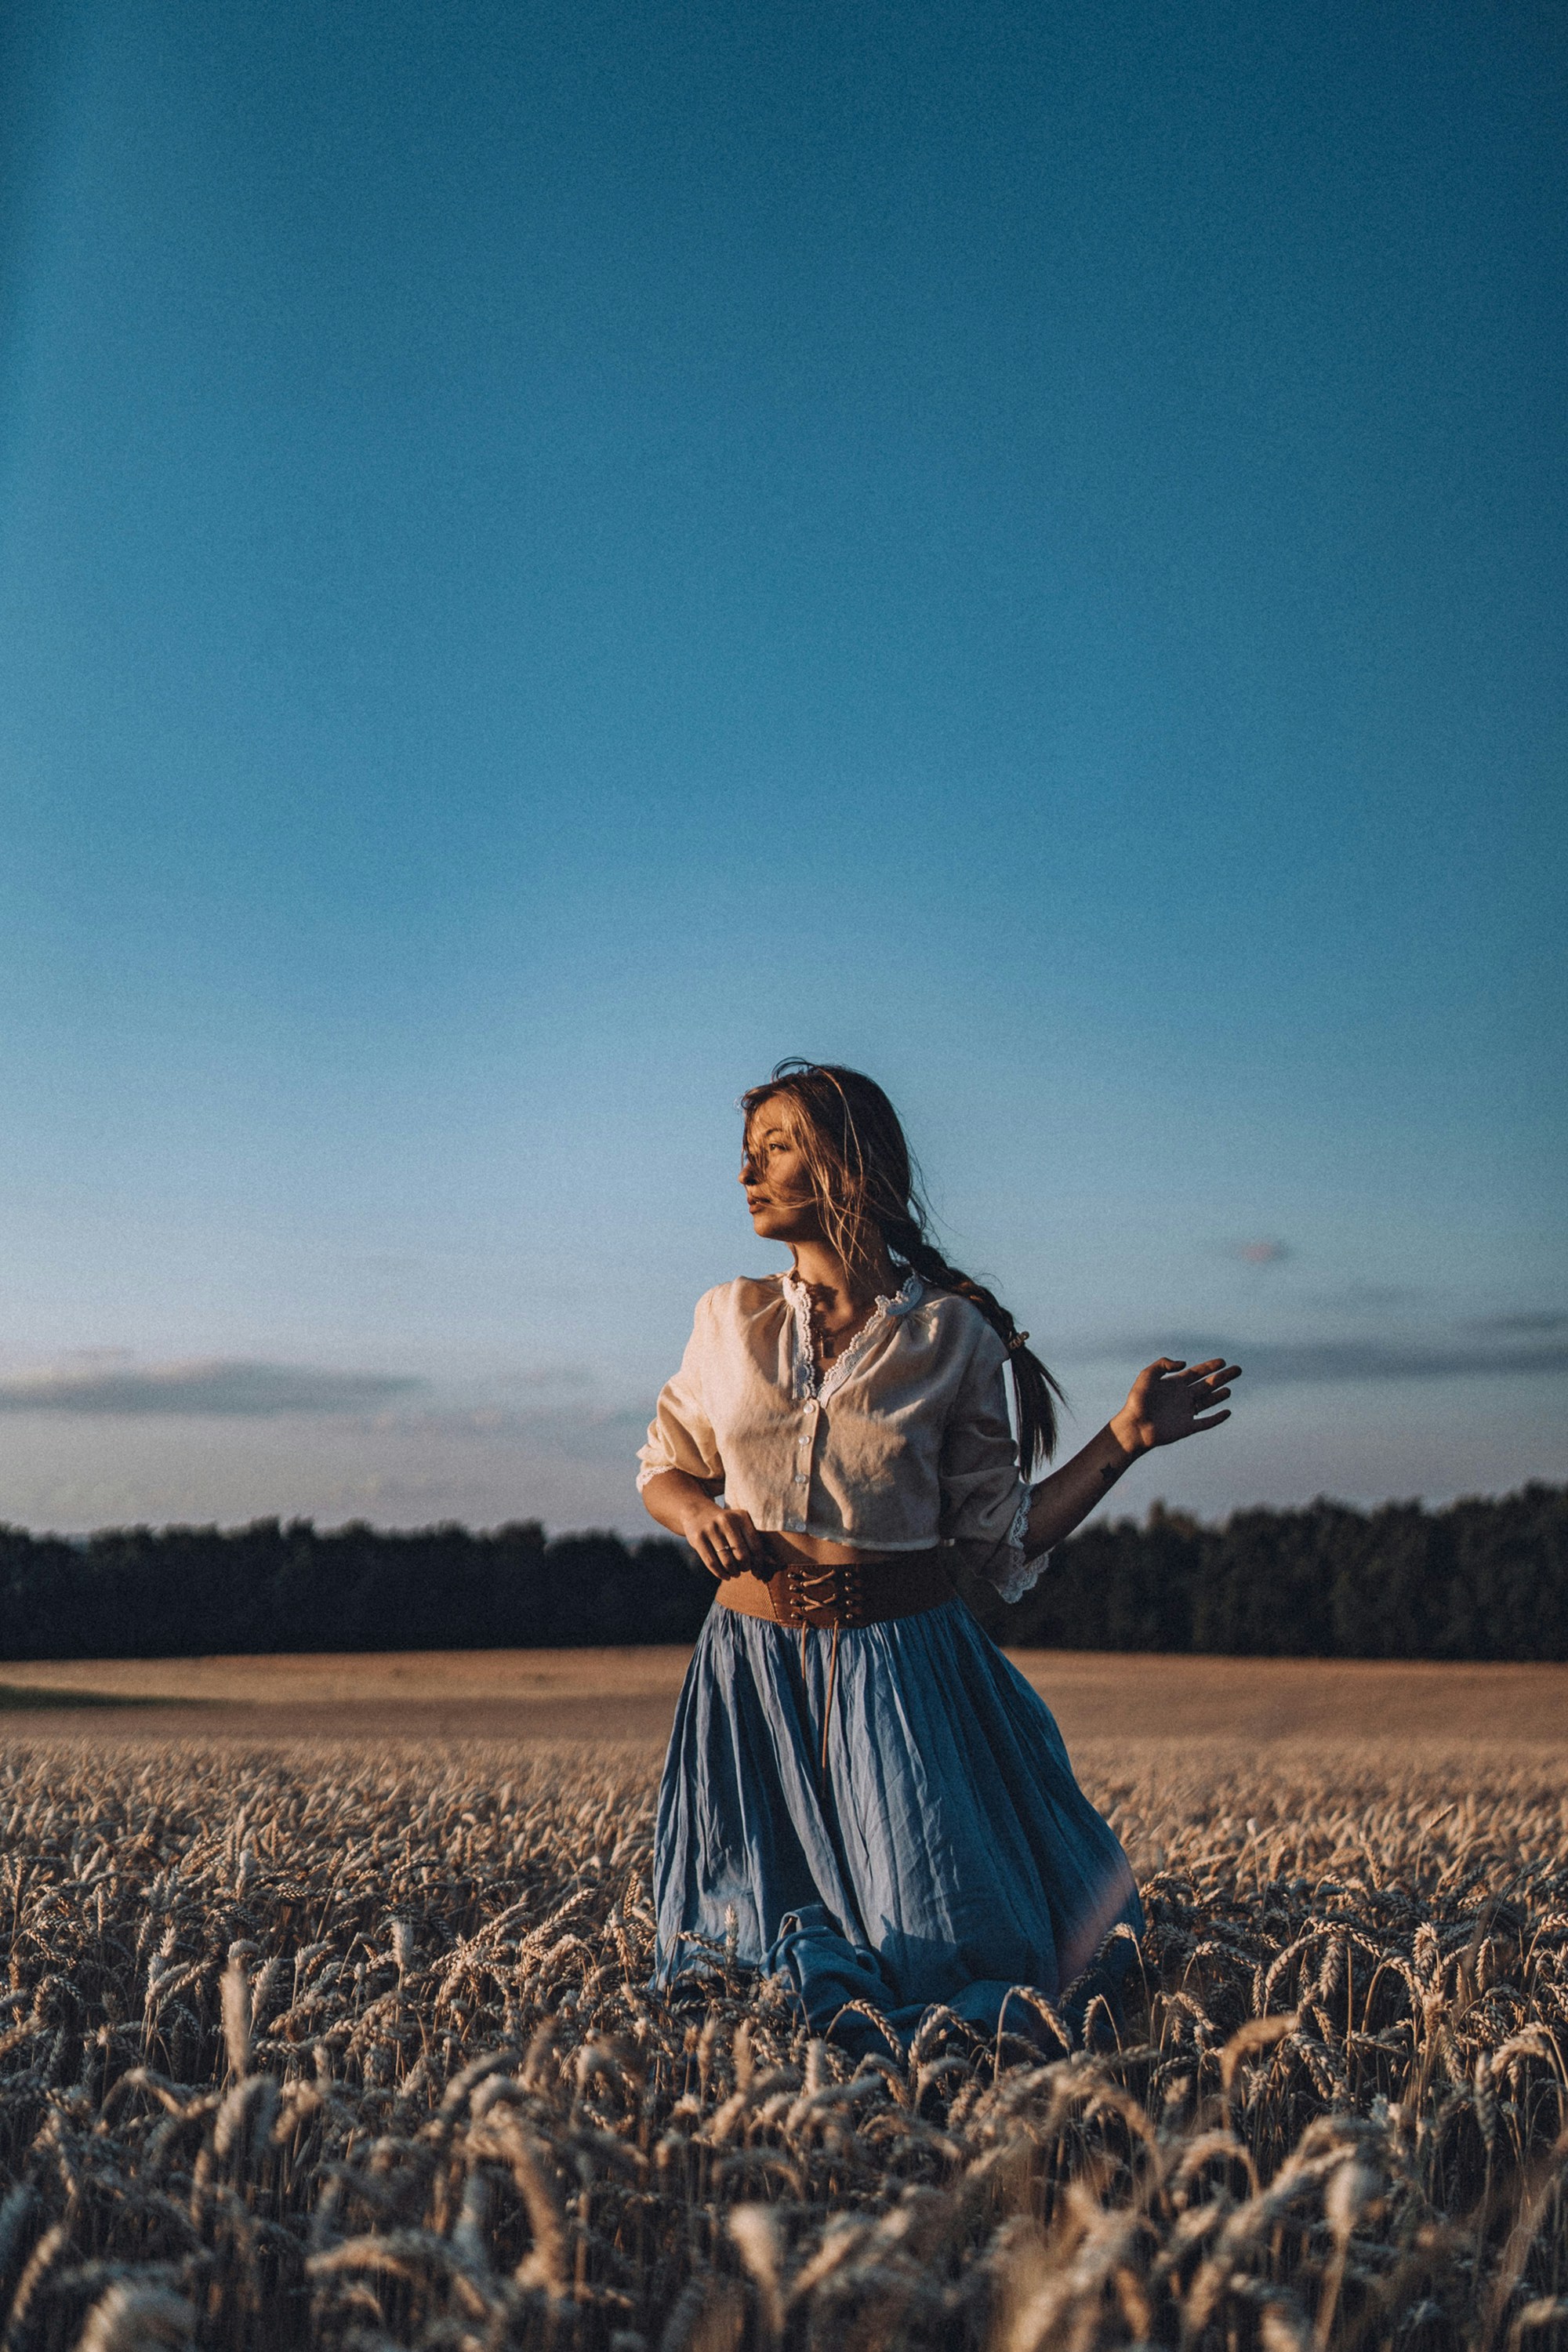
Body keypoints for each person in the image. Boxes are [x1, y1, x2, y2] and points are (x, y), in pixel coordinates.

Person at [637, 1062, 1240, 2055]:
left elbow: (999, 1538)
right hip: (749, 1674)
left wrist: (1124, 1439)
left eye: (776, 1146)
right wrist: (691, 1512)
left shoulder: (951, 1337)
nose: (746, 1171)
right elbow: (664, 1467)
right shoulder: (725, 1320)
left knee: (950, 1954)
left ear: (847, 1163)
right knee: (744, 1961)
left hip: (901, 1671)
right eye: (745, 1153)